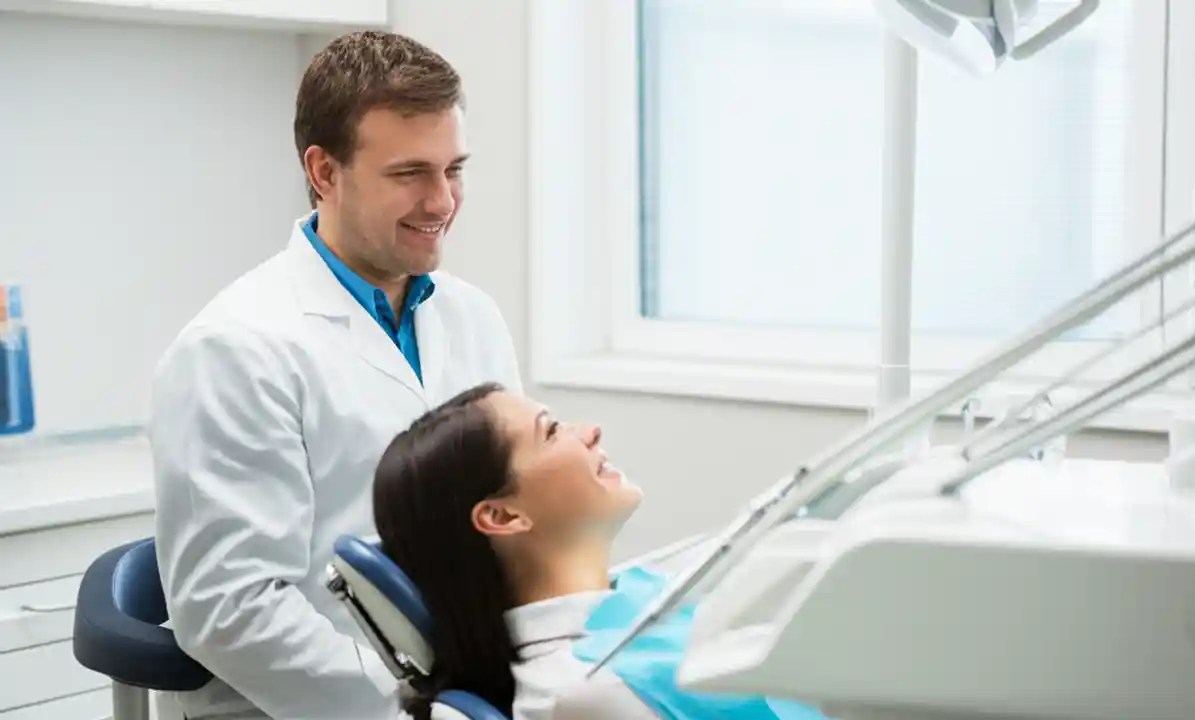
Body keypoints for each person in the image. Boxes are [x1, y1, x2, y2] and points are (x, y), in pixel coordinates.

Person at [149, 31, 521, 720]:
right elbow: (229, 610)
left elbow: (512, 515)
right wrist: (413, 711)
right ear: (324, 172)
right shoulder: (235, 348)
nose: (442, 201)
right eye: (410, 173)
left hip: (470, 691)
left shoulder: (474, 317)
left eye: (454, 169)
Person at [373, 384, 829, 720]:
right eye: (551, 432)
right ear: (503, 516)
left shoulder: (639, 592)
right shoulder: (586, 692)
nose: (590, 431)